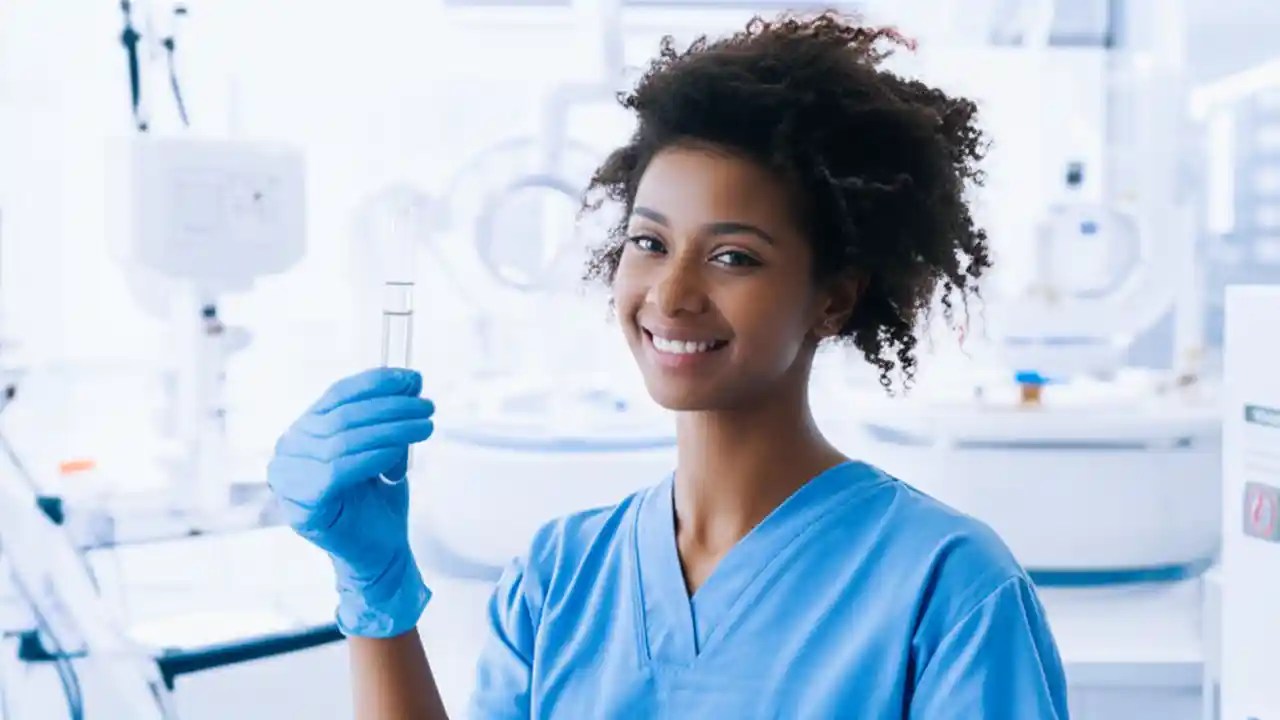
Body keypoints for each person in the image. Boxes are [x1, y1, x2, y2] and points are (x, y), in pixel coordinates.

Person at [267, 12, 1069, 719]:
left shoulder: (948, 589)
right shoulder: (560, 579)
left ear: (833, 299)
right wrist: (378, 600)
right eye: (649, 243)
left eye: (733, 256)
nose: (672, 293)